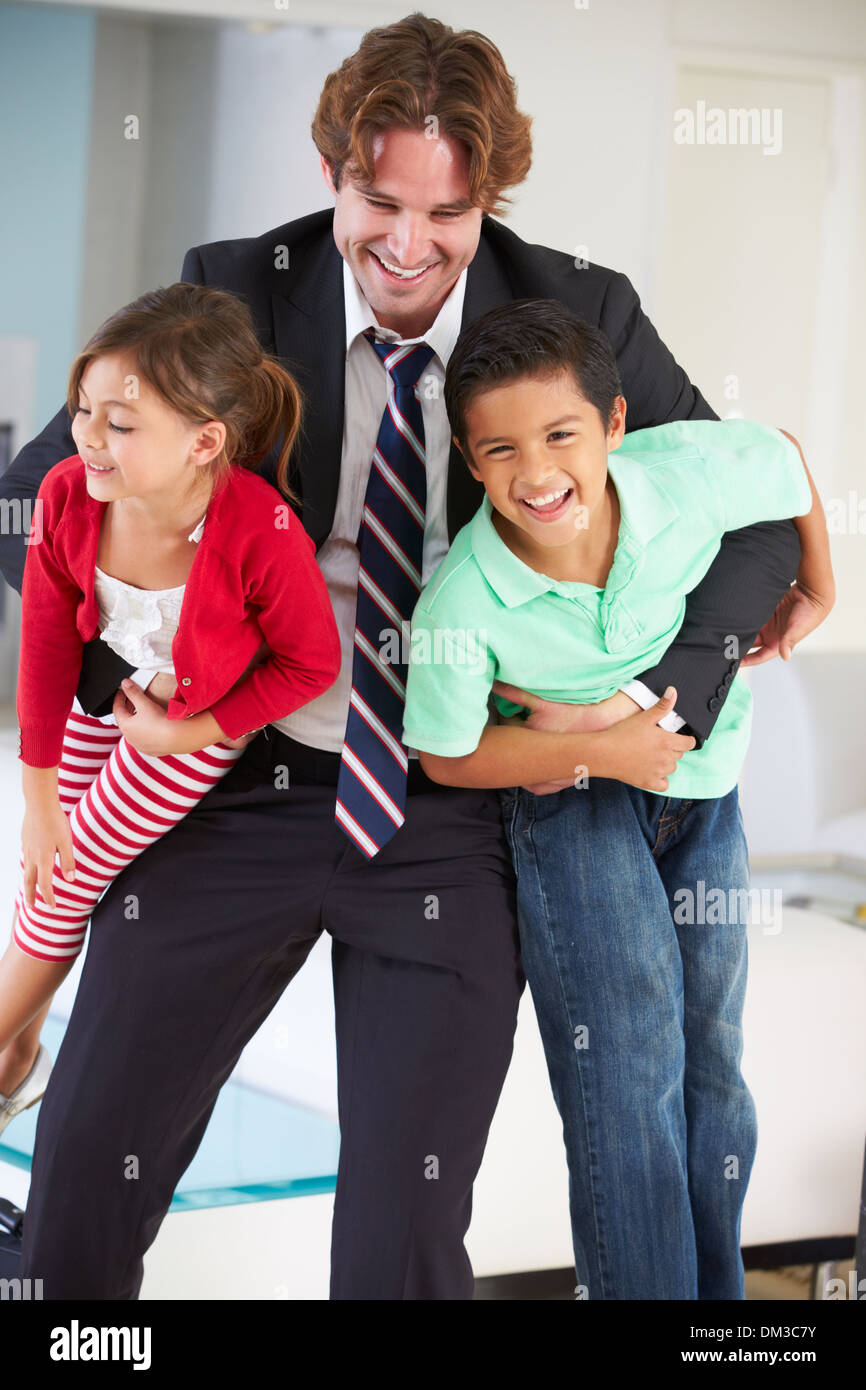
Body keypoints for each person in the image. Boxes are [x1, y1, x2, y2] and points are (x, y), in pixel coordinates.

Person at [0, 14, 831, 1299]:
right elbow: (34, 504)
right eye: (374, 200)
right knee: (80, 1192)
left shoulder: (575, 306)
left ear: (488, 198)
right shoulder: (232, 287)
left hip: (449, 808)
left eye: (444, 215)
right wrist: (135, 687)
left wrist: (654, 700)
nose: (404, 244)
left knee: (402, 1239)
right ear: (332, 171)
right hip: (239, 786)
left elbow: (751, 513)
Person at [401, 298, 832, 1299]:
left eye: (560, 436)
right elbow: (446, 753)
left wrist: (818, 578)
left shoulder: (673, 477)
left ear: (614, 427)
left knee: (713, 1068)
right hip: (573, 814)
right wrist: (599, 751)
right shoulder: (463, 599)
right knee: (628, 1073)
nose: (536, 473)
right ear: (471, 461)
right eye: (499, 450)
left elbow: (779, 454)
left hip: (705, 799)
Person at [0, 282, 340, 1135]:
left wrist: (192, 730)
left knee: (67, 881)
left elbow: (311, 662)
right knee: (44, 867)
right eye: (83, 410)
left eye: (120, 423)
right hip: (101, 689)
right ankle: (17, 1060)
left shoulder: (258, 527)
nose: (87, 437)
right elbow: (45, 643)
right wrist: (38, 799)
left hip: (184, 738)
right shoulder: (68, 494)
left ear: (204, 440)